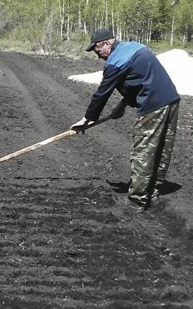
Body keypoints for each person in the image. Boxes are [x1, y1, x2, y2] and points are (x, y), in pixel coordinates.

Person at [71, 28, 180, 210]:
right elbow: (138, 80)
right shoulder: (134, 47)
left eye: (98, 51)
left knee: (143, 152)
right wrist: (122, 105)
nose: (99, 57)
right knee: (161, 149)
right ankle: (152, 194)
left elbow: (102, 93)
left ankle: (136, 201)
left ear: (106, 43)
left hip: (153, 105)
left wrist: (88, 118)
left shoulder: (115, 61)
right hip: (171, 100)